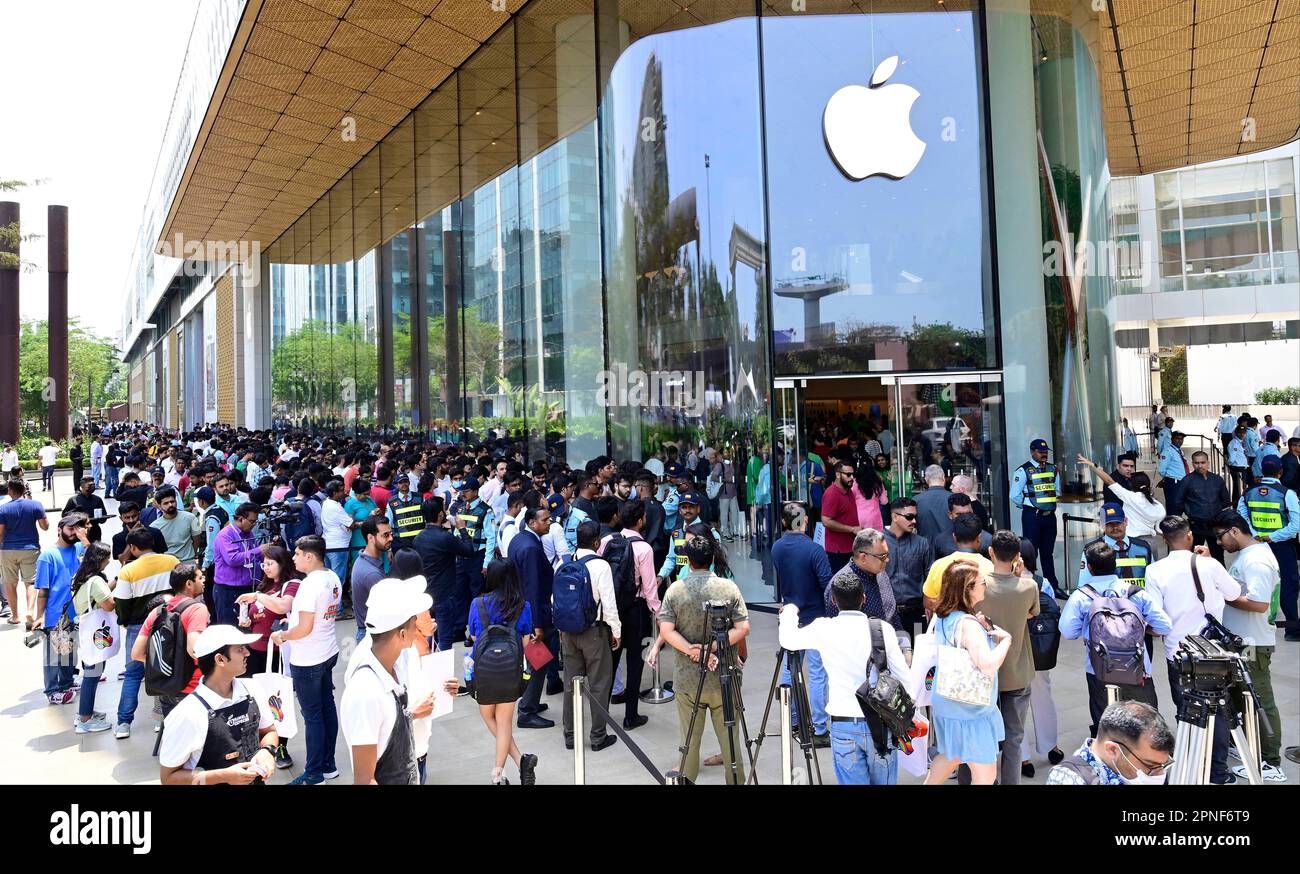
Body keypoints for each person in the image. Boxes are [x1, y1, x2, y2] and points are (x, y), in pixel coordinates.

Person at [778, 571, 910, 785]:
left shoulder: (824, 628)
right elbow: (904, 675)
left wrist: (790, 611)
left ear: (833, 600)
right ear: (864, 599)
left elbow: (788, 640)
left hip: (843, 724)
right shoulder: (882, 629)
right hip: (880, 720)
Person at [1143, 514, 1240, 784]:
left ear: (1164, 540)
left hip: (1179, 653)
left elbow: (1156, 619)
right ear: (1189, 536)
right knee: (1218, 709)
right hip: (1212, 651)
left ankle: (1192, 763)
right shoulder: (1208, 564)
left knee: (1186, 708)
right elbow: (1233, 593)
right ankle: (1217, 771)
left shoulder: (1155, 571)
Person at [657, 530, 750, 784]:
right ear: (711, 559)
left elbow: (666, 630)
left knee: (688, 744)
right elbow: (742, 628)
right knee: (731, 745)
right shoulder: (728, 587)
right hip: (725, 676)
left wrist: (693, 651)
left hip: (688, 679)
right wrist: (712, 649)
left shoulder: (675, 591)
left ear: (688, 559)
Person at [1060, 543, 1170, 737]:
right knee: (1146, 724)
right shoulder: (1135, 593)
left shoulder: (1081, 596)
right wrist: (1143, 628)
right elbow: (1164, 625)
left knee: (1107, 723)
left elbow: (1068, 632)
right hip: (1138, 668)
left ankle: (1113, 762)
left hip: (1098, 669)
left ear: (1091, 568)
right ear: (1115, 565)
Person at [157, 625, 279, 786]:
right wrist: (223, 776)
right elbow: (169, 778)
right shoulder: (187, 713)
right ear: (220, 659)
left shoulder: (253, 689)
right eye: (240, 649)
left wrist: (267, 751)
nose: (248, 653)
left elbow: (269, 731)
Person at [923, 561, 1011, 785]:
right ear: (968, 589)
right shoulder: (968, 624)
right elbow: (988, 664)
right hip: (971, 708)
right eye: (982, 583)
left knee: (951, 755)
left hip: (947, 702)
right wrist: (1006, 640)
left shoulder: (943, 616)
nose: (986, 587)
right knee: (985, 775)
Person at [1215, 510, 1287, 782]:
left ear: (1234, 530)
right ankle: (1247, 748)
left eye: (1220, 537)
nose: (1220, 543)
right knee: (1241, 699)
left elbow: (1258, 604)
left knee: (1259, 702)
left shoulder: (1256, 560)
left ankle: (1270, 763)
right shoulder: (1250, 555)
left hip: (1253, 644)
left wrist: (1224, 593)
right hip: (1243, 642)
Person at [341, 579, 435, 785]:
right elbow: (365, 780)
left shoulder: (395, 664)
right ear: (402, 634)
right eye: (413, 624)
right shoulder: (365, 691)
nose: (417, 629)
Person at [270, 535, 342, 785]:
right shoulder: (331, 577)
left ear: (309, 557)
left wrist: (283, 635)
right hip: (327, 650)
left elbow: (305, 628)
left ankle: (313, 774)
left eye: (297, 554)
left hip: (308, 658)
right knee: (326, 708)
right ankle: (328, 764)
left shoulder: (309, 585)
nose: (293, 558)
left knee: (313, 716)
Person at [466, 559, 539, 785]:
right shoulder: (523, 606)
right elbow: (526, 643)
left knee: (489, 716)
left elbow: (475, 639)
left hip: (483, 671)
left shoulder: (477, 604)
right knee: (505, 720)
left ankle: (498, 773)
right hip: (511, 671)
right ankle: (519, 762)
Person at [981, 530, 1040, 785]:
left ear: (990, 552)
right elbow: (1031, 613)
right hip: (1017, 672)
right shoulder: (1028, 586)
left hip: (984, 674)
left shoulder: (977, 584)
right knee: (1014, 738)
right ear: (1018, 556)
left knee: (984, 737)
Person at [771, 502, 833, 744]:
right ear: (804, 521)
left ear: (785, 522)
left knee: (790, 668)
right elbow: (827, 584)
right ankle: (819, 728)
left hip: (791, 615)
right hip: (816, 616)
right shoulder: (814, 550)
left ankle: (792, 718)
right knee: (818, 674)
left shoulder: (777, 548)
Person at [112, 527, 181, 739]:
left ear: (132, 548)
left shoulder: (128, 571)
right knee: (165, 669)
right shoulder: (171, 561)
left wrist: (124, 621)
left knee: (133, 673)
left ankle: (124, 722)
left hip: (138, 626)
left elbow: (122, 603)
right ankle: (162, 719)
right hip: (169, 621)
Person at [561, 521, 621, 752]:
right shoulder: (601, 566)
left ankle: (570, 736)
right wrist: (616, 631)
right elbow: (608, 602)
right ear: (597, 542)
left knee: (570, 684)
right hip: (593, 632)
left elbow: (555, 600)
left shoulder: (565, 563)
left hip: (568, 632)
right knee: (599, 684)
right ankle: (598, 737)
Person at [599, 497, 657, 729]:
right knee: (635, 663)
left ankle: (602, 716)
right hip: (636, 610)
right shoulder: (644, 548)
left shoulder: (606, 542)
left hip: (612, 610)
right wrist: (659, 614)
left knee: (609, 663)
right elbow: (650, 587)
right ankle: (630, 716)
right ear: (641, 521)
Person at [129, 563, 211, 726]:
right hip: (193, 689)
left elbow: (136, 654)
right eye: (200, 577)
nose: (204, 581)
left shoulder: (157, 611)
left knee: (178, 741)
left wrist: (168, 665)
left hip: (166, 689)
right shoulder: (197, 609)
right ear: (189, 583)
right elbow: (195, 649)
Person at [1237, 455, 1299, 642]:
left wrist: (1256, 534)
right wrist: (1272, 537)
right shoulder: (1286, 493)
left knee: (1257, 584)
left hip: (1256, 546)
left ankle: (1258, 627)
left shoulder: (1247, 493)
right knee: (1288, 585)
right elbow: (1296, 525)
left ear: (1262, 471)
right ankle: (1292, 630)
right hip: (1281, 546)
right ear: (1281, 472)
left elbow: (1242, 517)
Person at [509, 505, 559, 728]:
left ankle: (531, 702)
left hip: (523, 610)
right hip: (533, 615)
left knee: (536, 661)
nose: (549, 523)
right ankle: (527, 710)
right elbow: (532, 589)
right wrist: (536, 624)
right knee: (537, 662)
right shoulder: (529, 547)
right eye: (545, 520)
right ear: (531, 522)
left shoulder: (520, 540)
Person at [1046, 700, 1174, 785]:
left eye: (1163, 765)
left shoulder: (1143, 770)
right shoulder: (1070, 780)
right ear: (1112, 750)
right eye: (1150, 766)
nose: (1160, 775)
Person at [34, 514, 90, 705]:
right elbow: (43, 590)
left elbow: (96, 561)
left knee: (69, 650)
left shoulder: (79, 548)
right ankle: (52, 691)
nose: (74, 533)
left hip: (76, 610)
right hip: (56, 612)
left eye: (77, 529)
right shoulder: (47, 556)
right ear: (60, 529)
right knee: (54, 654)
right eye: (70, 528)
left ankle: (66, 682)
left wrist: (84, 540)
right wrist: (39, 616)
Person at [412, 496, 478, 652]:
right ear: (440, 514)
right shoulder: (444, 537)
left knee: (428, 635)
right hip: (444, 596)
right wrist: (462, 528)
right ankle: (443, 673)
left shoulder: (418, 538)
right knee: (445, 638)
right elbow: (469, 551)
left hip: (426, 595)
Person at [1077, 455, 1166, 558]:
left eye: (1131, 466)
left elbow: (1109, 481)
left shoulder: (1131, 497)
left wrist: (1092, 465)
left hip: (1134, 544)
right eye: (1125, 466)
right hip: (1151, 543)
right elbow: (1159, 529)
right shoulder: (1157, 505)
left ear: (1131, 486)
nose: (1129, 469)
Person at [71, 541, 115, 733]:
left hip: (85, 629)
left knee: (91, 671)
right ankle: (85, 719)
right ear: (100, 559)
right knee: (92, 674)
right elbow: (108, 605)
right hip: (95, 632)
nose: (109, 560)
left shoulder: (82, 576)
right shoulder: (96, 581)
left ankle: (85, 711)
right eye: (107, 557)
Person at [1010, 438, 1060, 593]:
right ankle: (1030, 586)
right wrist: (1029, 505)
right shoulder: (1023, 470)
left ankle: (1053, 587)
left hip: (1050, 516)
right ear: (1032, 452)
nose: (1044, 454)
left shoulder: (1053, 469)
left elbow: (1056, 491)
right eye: (1040, 452)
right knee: (1030, 553)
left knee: (1048, 553)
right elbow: (1014, 495)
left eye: (1045, 452)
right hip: (1033, 516)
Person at [212, 503, 273, 626]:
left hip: (248, 587)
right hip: (228, 590)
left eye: (255, 521)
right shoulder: (225, 535)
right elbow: (232, 559)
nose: (254, 524)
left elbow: (255, 556)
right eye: (252, 521)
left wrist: (268, 552)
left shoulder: (248, 533)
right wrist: (259, 550)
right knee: (230, 628)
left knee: (246, 626)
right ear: (240, 519)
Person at [0, 478, 49, 629]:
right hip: (30, 548)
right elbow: (45, 526)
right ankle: (30, 611)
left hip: (8, 549)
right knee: (31, 582)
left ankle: (15, 616)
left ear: (10, 491)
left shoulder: (3, 509)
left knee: (10, 583)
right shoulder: (35, 505)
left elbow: (0, 533)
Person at [883, 496, 933, 639]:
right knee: (891, 655)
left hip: (916, 613)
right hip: (888, 614)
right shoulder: (879, 541)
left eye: (915, 517)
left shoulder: (922, 543)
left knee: (918, 653)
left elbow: (929, 575)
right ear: (894, 516)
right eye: (909, 517)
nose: (914, 521)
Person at [922, 515, 995, 611]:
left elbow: (928, 602)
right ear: (979, 537)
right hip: (979, 624)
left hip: (946, 624)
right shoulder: (989, 567)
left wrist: (950, 610)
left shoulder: (938, 565)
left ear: (954, 537)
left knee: (917, 626)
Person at [1077, 503, 1153, 592]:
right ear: (1102, 525)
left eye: (1118, 522)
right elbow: (1084, 586)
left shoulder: (1143, 547)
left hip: (1140, 602)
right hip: (1108, 603)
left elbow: (1152, 580)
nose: (1115, 527)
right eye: (1110, 524)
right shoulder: (1091, 549)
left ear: (1126, 521)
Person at [350, 516, 392, 641]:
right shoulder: (372, 574)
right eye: (385, 535)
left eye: (390, 533)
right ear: (370, 538)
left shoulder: (363, 558)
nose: (391, 538)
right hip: (373, 636)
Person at [820, 461, 862, 572]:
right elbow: (826, 521)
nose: (852, 478)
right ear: (838, 475)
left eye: (853, 474)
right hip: (838, 551)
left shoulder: (848, 491)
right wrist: (852, 529)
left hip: (850, 547)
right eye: (848, 475)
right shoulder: (831, 494)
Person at [931, 493, 993, 559]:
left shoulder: (987, 540)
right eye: (959, 514)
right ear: (950, 515)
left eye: (968, 513)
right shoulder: (941, 541)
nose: (964, 517)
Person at [149, 487, 202, 563]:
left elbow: (197, 539)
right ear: (160, 506)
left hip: (188, 562)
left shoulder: (190, 518)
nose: (170, 505)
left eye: (172, 501)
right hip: (167, 565)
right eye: (166, 503)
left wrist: (191, 555)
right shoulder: (154, 526)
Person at [913, 464, 953, 544]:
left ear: (926, 479)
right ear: (943, 478)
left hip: (925, 547)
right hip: (950, 548)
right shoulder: (954, 498)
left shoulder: (916, 500)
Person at [63, 476, 108, 544]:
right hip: (79, 531)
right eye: (89, 485)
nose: (92, 487)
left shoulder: (97, 499)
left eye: (93, 485)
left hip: (94, 530)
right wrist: (74, 511)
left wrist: (99, 518)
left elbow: (104, 517)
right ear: (82, 486)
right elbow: (64, 516)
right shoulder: (74, 500)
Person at [1157, 430, 1189, 505]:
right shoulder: (1168, 452)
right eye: (1177, 438)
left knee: (1180, 505)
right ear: (1172, 439)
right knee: (1173, 506)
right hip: (1173, 482)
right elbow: (1162, 470)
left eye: (1181, 439)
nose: (1180, 441)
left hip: (1181, 482)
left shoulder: (1179, 451)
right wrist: (1168, 478)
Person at [1227, 424, 1250, 503]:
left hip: (1242, 468)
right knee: (1238, 488)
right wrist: (1230, 463)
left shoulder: (1240, 442)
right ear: (1236, 433)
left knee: (1241, 487)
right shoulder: (1235, 443)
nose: (1242, 434)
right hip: (1238, 468)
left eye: (1244, 432)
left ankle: (1238, 503)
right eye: (1240, 432)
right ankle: (1236, 504)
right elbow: (1232, 458)